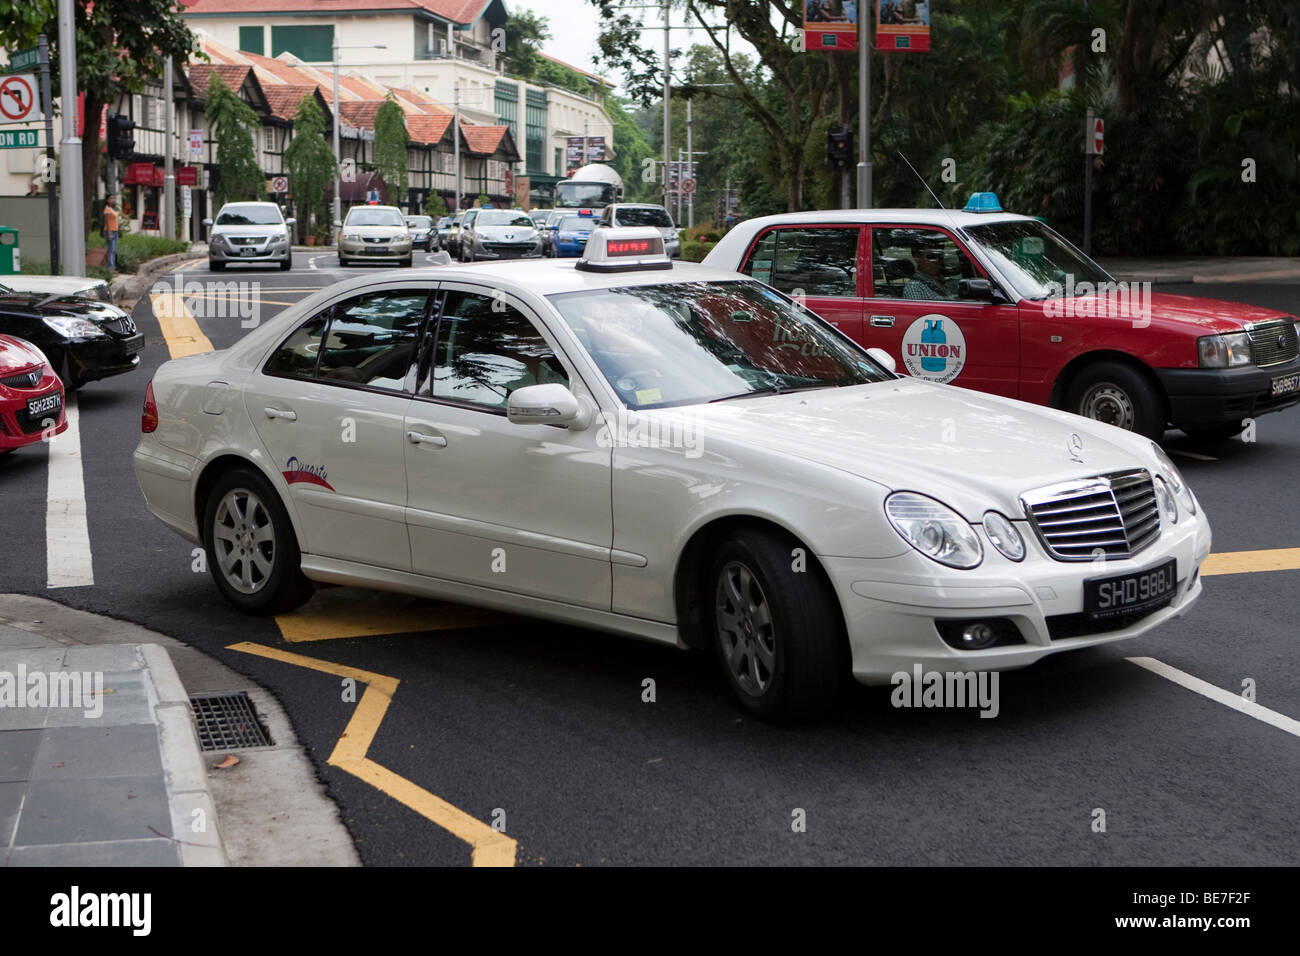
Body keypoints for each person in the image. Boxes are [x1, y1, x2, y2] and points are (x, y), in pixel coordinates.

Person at [103, 193, 120, 271]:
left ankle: (111, 267)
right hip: (110, 231)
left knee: (114, 250)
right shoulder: (107, 209)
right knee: (111, 250)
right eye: (110, 198)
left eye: (113, 198)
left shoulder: (112, 209)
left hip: (115, 231)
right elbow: (107, 222)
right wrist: (109, 233)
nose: (112, 200)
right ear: (107, 200)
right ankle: (110, 268)